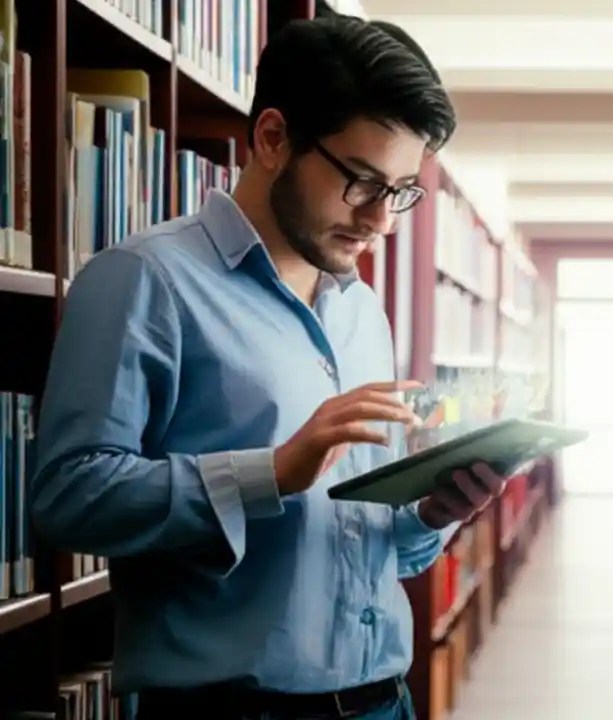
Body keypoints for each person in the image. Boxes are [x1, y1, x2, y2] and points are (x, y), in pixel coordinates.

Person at [30, 14, 500, 720]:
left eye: (401, 191)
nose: (381, 221)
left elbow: (368, 547)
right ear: (274, 138)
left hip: (387, 702)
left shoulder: (363, 313)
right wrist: (272, 472)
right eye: (362, 182)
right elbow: (67, 499)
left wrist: (429, 516)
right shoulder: (142, 281)